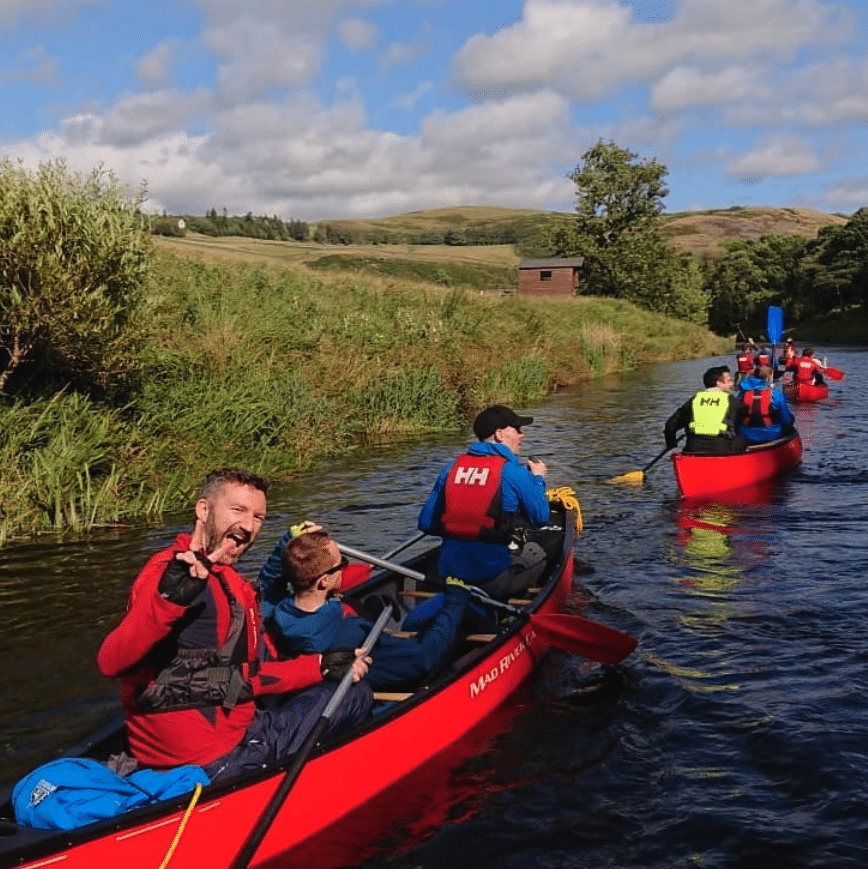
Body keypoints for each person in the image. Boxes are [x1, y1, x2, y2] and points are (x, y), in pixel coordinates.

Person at [97, 468, 373, 782]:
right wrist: (167, 602)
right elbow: (111, 662)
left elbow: (240, 677)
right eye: (238, 510)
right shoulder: (174, 577)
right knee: (355, 693)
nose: (249, 526)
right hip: (220, 759)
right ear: (204, 510)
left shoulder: (219, 577)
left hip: (198, 744)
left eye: (259, 517)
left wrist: (320, 666)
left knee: (327, 679)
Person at [258, 526, 472, 691]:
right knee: (447, 634)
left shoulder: (274, 609)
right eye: (342, 564)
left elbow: (267, 580)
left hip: (323, 642)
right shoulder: (352, 633)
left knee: (360, 606)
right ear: (323, 581)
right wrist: (456, 600)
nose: (346, 567)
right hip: (381, 673)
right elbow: (424, 657)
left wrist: (289, 541)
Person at [417, 404, 556, 600]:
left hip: (450, 574)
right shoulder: (513, 472)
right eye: (517, 429)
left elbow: (426, 523)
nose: (522, 435)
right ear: (499, 434)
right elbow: (540, 518)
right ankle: (507, 605)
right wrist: (538, 478)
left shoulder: (451, 467)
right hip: (492, 580)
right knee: (538, 552)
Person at [664, 365, 748, 456]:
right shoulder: (730, 399)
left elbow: (670, 426)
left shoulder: (694, 399)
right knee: (742, 438)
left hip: (693, 449)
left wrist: (672, 446)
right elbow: (749, 413)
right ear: (718, 383)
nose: (732, 384)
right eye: (729, 381)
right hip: (721, 449)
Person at [736, 365, 795, 443]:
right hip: (771, 434)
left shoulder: (742, 394)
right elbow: (786, 419)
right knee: (791, 418)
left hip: (745, 434)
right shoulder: (775, 393)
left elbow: (736, 418)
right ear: (768, 378)